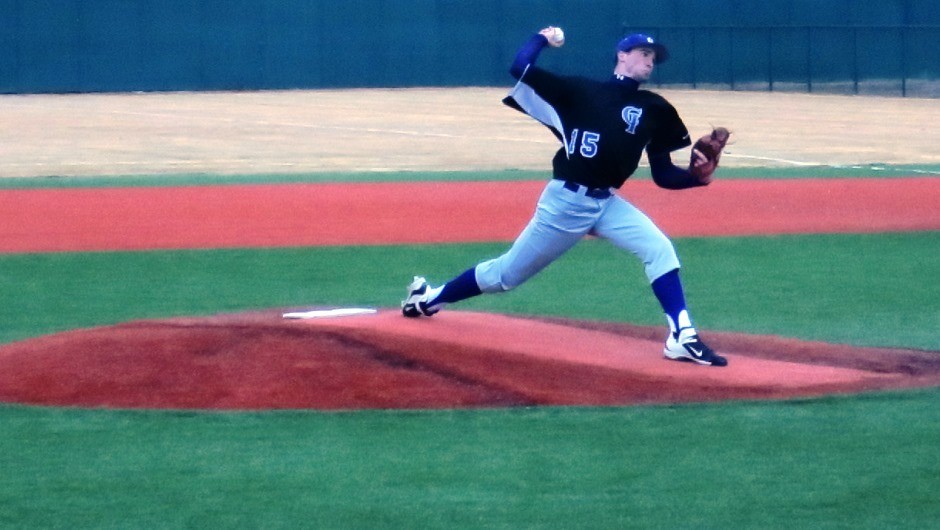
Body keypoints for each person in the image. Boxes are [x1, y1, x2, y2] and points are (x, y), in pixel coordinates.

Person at [401, 27, 727, 367]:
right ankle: (428, 298)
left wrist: (696, 179)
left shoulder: (655, 108)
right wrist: (541, 38)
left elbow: (663, 174)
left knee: (659, 248)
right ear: (622, 55)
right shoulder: (581, 91)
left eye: (653, 57)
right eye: (644, 53)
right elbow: (520, 67)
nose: (650, 61)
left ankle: (682, 337)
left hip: (606, 203)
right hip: (566, 204)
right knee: (504, 276)